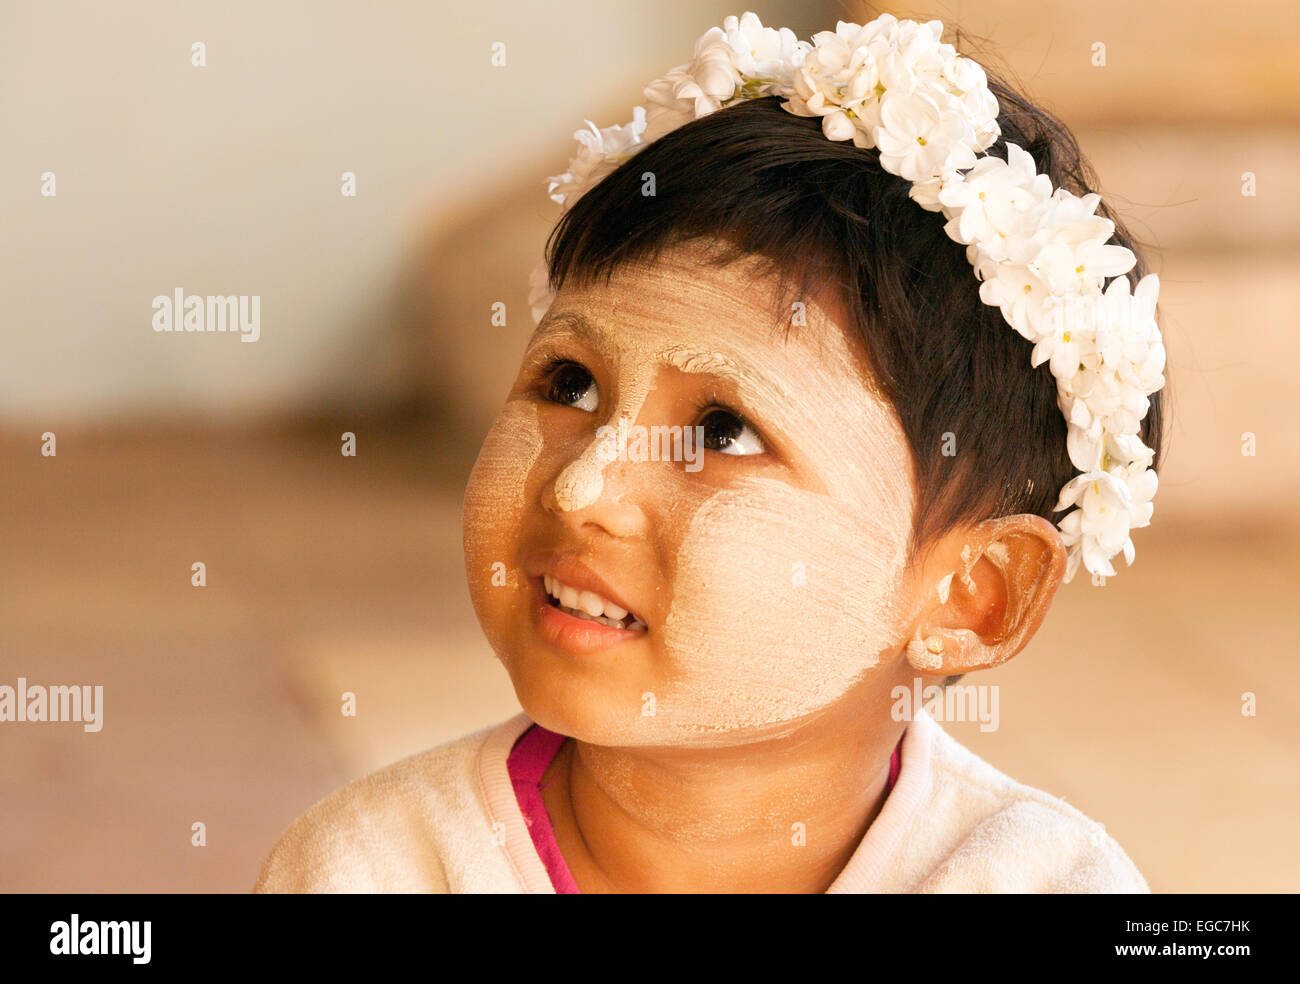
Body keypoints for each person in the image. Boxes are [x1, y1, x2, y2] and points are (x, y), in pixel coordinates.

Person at [254, 11, 1164, 893]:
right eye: (569, 382)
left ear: (974, 592)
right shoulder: (370, 868)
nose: (584, 488)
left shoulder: (1047, 885)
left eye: (723, 432)